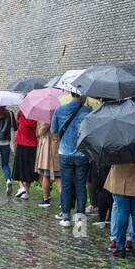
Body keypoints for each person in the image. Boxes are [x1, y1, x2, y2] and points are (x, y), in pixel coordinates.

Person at [51, 92, 92, 227]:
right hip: (82, 154)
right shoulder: (88, 111)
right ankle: (80, 218)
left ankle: (66, 217)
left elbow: (54, 131)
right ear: (81, 96)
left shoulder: (59, 109)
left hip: (65, 153)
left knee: (66, 185)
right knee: (81, 185)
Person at [35, 118, 59, 208]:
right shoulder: (60, 113)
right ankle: (64, 201)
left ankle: (46, 199)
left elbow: (41, 132)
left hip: (48, 146)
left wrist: (39, 127)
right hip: (56, 144)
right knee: (57, 175)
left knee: (46, 174)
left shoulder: (47, 117)